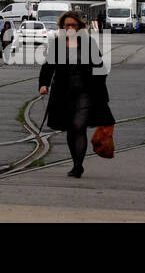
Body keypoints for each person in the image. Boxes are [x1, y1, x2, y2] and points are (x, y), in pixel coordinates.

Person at [38, 10, 114, 178]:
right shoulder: (57, 45)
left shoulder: (88, 44)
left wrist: (98, 86)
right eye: (67, 25)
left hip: (85, 94)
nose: (70, 28)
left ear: (79, 27)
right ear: (62, 27)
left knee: (79, 126)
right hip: (63, 94)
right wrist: (43, 84)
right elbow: (48, 67)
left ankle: (79, 165)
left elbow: (101, 68)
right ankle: (75, 162)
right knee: (71, 129)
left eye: (73, 25)